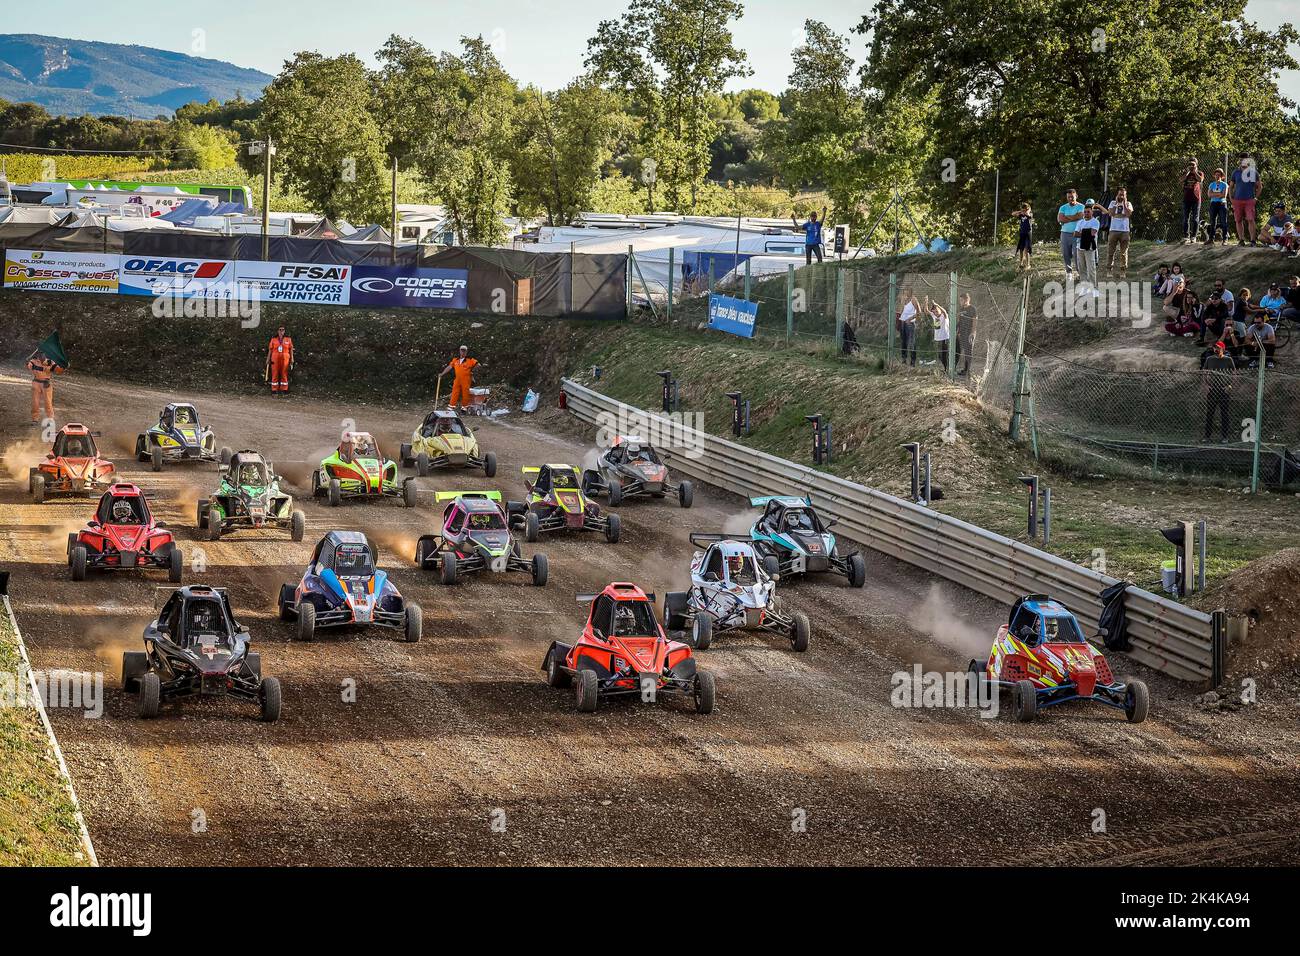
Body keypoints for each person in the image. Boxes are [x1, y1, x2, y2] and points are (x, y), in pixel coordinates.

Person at [1201, 340, 1235, 443]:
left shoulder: (1228, 360)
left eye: (1218, 348)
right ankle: (1207, 436)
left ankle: (1225, 437)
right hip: (1212, 389)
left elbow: (1234, 374)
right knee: (1210, 413)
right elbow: (1204, 373)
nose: (1216, 349)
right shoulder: (1209, 359)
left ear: (1223, 349)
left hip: (1223, 389)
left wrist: (1230, 386)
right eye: (1215, 348)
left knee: (1224, 414)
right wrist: (1206, 386)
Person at [1230, 153, 1261, 246]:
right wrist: (1231, 198)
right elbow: (1230, 187)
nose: (1242, 161)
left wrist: (1256, 198)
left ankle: (1252, 241)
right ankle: (1241, 240)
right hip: (1237, 200)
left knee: (1250, 219)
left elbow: (1259, 186)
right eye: (1241, 159)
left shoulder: (1253, 172)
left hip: (1249, 200)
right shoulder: (1235, 172)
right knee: (1238, 220)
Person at [26, 350, 62, 426]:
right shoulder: (34, 361)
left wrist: (64, 367)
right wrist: (27, 362)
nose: (41, 355)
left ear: (46, 354)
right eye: (40, 354)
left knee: (48, 403)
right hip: (36, 382)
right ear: (38, 354)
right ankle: (35, 419)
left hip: (46, 383)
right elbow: (29, 366)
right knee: (35, 402)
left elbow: (58, 370)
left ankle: (50, 419)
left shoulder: (50, 362)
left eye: (43, 354)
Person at [442, 345, 480, 409]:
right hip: (457, 379)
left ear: (466, 352)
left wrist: (472, 371)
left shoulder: (470, 360)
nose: (463, 352)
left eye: (464, 351)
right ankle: (451, 406)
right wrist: (442, 373)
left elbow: (478, 365)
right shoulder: (455, 360)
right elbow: (449, 367)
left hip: (466, 379)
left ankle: (464, 408)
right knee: (455, 392)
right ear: (459, 351)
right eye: (462, 351)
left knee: (465, 393)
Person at [1105, 188, 1133, 276]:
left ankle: (1123, 271)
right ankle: (1109, 270)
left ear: (1125, 195)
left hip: (1124, 231)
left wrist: (1124, 204)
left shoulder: (1128, 204)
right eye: (1120, 194)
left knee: (1123, 252)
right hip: (1113, 230)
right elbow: (1111, 214)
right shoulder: (1112, 203)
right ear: (1117, 195)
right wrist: (1116, 204)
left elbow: (1128, 214)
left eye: (1123, 195)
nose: (1121, 196)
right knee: (1110, 251)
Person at [1057, 188, 1084, 275]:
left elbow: (1080, 216)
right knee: (1066, 254)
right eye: (1068, 197)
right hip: (1065, 233)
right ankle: (1069, 272)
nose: (1070, 199)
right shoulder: (1063, 207)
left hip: (1077, 234)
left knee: (1077, 255)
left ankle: (1080, 273)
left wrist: (1067, 217)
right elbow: (1060, 218)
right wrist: (1074, 217)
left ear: (1076, 196)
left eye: (1072, 197)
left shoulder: (1081, 206)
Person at [1076, 201, 1101, 289]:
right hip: (1079, 248)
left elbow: (1093, 233)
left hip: (1090, 248)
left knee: (1091, 269)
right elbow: (1075, 234)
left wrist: (1082, 232)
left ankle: (1093, 288)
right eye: (1085, 212)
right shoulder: (1080, 222)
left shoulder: (1095, 222)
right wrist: (1087, 232)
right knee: (1081, 269)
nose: (1086, 213)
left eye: (1088, 212)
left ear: (1092, 212)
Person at [1180, 158, 1204, 243]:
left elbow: (1200, 179)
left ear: (1196, 165)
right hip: (1186, 198)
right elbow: (1181, 180)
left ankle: (1194, 236)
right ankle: (1186, 236)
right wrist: (1187, 172)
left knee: (1195, 218)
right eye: (1190, 164)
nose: (1191, 166)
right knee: (1185, 218)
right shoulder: (1185, 173)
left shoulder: (1200, 173)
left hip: (1196, 199)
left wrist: (1194, 172)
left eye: (1193, 164)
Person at [265, 326, 294, 394]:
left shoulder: (288, 339)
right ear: (278, 331)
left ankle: (284, 389)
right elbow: (270, 350)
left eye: (283, 330)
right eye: (280, 330)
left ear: (284, 331)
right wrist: (268, 359)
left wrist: (292, 358)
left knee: (284, 373)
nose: (281, 331)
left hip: (285, 358)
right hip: (275, 357)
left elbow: (291, 349)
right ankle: (274, 389)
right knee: (275, 373)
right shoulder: (273, 339)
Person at [1205, 168, 1230, 244]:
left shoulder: (1224, 184)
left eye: (1219, 175)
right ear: (1214, 176)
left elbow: (1224, 195)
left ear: (1222, 176)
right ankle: (1211, 239)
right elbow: (1209, 195)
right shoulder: (1211, 184)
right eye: (1216, 175)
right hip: (1213, 204)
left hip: (1222, 204)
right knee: (1212, 222)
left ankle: (1225, 239)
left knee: (1223, 222)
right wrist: (1218, 194)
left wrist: (1214, 194)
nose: (1217, 176)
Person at [956, 292, 977, 376]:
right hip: (962, 333)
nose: (960, 302)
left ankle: (968, 370)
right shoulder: (961, 309)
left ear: (967, 300)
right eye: (960, 300)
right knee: (964, 351)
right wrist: (958, 331)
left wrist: (972, 332)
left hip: (969, 333)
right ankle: (965, 369)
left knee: (968, 352)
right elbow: (959, 321)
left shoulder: (972, 308)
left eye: (961, 300)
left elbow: (975, 321)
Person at [897, 291, 919, 366]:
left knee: (911, 343)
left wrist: (910, 319)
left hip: (910, 324)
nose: (904, 295)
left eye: (905, 293)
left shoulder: (914, 299)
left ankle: (912, 362)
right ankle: (904, 360)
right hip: (903, 323)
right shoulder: (903, 301)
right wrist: (902, 303)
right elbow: (900, 312)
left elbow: (919, 312)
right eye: (903, 293)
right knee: (904, 342)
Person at [1012, 202, 1034, 270]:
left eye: (1025, 209)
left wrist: (1027, 211)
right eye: (1023, 209)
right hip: (1022, 233)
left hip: (1028, 233)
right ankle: (1021, 263)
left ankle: (1028, 264)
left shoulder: (1029, 214)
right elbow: (1013, 214)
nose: (1023, 211)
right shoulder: (1021, 215)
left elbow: (1029, 216)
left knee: (1026, 249)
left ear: (1027, 209)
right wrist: (1020, 211)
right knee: (1021, 249)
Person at [929, 298, 950, 364]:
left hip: (944, 338)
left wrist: (937, 304)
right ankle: (944, 367)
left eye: (937, 311)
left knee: (944, 354)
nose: (935, 313)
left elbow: (944, 312)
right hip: (938, 338)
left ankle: (947, 368)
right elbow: (926, 310)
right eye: (934, 312)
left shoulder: (944, 316)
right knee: (939, 355)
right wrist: (926, 302)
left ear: (940, 310)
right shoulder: (934, 317)